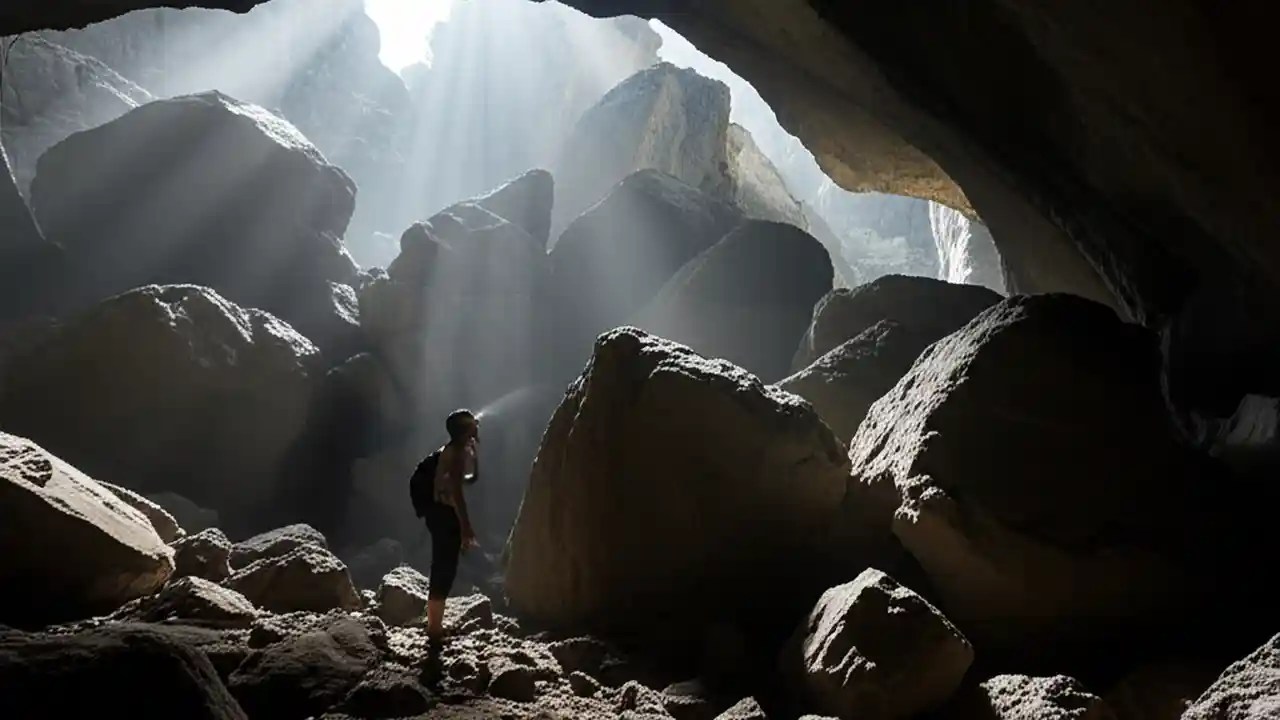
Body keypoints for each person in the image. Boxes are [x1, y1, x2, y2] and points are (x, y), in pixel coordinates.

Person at [421, 408, 481, 641]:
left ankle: (434, 626)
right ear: (466, 428)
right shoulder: (455, 452)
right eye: (473, 422)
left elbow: (467, 480)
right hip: (445, 514)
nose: (478, 423)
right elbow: (456, 492)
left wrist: (475, 457)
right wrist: (466, 526)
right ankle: (434, 630)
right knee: (443, 569)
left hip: (440, 514)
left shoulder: (457, 450)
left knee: (445, 566)